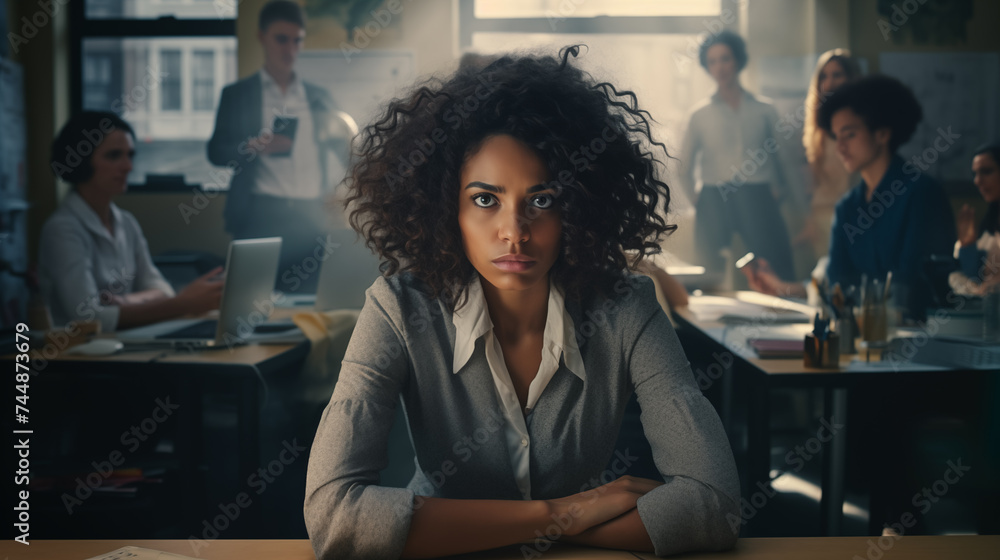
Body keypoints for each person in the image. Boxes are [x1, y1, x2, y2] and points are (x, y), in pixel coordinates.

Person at [304, 47, 739, 558]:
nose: (514, 232)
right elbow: (335, 517)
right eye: (486, 199)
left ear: (577, 206)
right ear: (449, 209)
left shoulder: (627, 306)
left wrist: (468, 528)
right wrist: (560, 516)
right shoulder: (397, 309)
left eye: (542, 200)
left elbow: (716, 507)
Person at [745, 75, 957, 320]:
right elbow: (837, 283)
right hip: (859, 336)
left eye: (850, 135)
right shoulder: (848, 206)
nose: (840, 147)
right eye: (837, 137)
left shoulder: (922, 194)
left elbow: (912, 287)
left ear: (882, 134)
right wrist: (785, 288)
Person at [207, 0, 352, 293]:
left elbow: (348, 153)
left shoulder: (318, 97)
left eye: (297, 40)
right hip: (259, 215)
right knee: (250, 302)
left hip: (310, 218)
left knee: (310, 305)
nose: (289, 49)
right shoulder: (237, 95)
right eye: (281, 39)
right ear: (262, 37)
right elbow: (216, 151)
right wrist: (250, 146)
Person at [39, 111, 223, 332]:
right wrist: (181, 304)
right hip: (79, 354)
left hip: (127, 340)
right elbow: (89, 318)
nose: (128, 166)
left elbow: (162, 291)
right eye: (114, 155)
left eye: (130, 155)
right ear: (80, 160)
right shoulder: (62, 229)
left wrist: (126, 302)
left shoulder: (126, 222)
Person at [679, 30, 804, 282]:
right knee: (709, 273)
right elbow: (683, 167)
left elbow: (784, 160)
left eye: (725, 58)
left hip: (758, 195)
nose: (720, 67)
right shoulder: (698, 115)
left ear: (737, 60)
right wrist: (699, 201)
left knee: (776, 265)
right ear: (707, 66)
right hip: (714, 197)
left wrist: (783, 192)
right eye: (712, 61)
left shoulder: (765, 110)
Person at [797, 49, 863, 257]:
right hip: (822, 217)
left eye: (837, 75)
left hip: (859, 215)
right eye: (824, 76)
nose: (830, 82)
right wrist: (809, 222)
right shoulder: (816, 132)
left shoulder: (865, 124)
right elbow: (808, 186)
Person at [950, 143, 1000, 295]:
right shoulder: (989, 229)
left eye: (986, 171)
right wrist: (967, 244)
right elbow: (973, 277)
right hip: (986, 311)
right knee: (954, 277)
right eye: (975, 174)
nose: (977, 181)